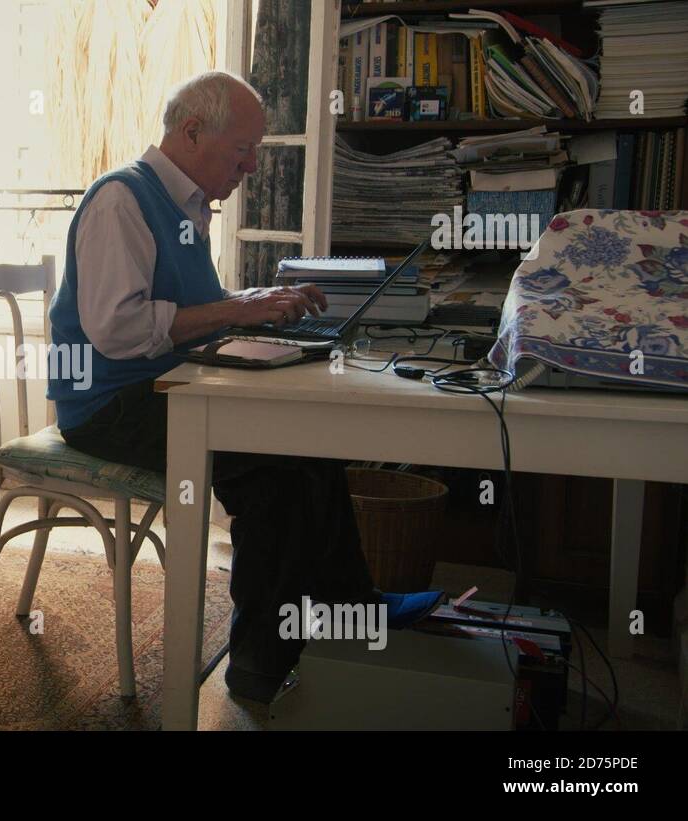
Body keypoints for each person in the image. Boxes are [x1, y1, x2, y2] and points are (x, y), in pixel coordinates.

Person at [46, 70, 441, 703]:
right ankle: (261, 660)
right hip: (104, 405)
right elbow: (118, 331)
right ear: (192, 131)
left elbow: (189, 307)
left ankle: (346, 610)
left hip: (161, 387)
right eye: (243, 150)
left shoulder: (185, 204)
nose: (252, 166)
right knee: (272, 466)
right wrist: (236, 313)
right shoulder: (121, 201)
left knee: (307, 441)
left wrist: (251, 300)